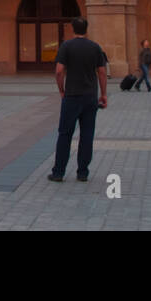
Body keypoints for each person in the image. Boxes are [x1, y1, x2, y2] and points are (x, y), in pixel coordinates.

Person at [49, 17, 108, 183]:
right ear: (86, 30)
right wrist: (103, 94)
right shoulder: (95, 47)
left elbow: (59, 71)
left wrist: (61, 90)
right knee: (87, 135)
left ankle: (59, 172)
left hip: (72, 96)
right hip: (90, 97)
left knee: (65, 134)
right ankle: (83, 172)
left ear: (72, 29)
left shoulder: (66, 46)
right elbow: (102, 72)